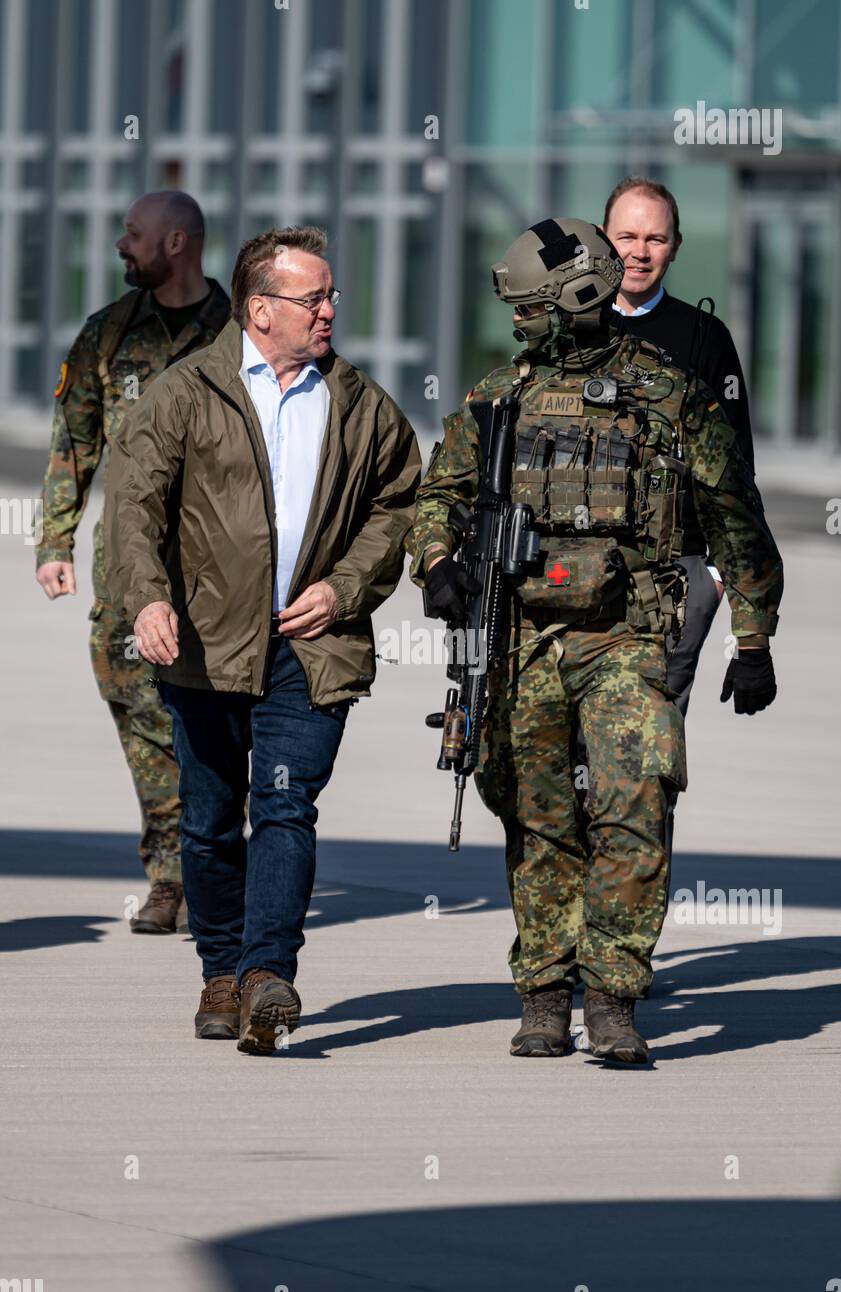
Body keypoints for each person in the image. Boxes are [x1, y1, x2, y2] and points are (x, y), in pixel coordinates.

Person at [408, 218, 783, 1066]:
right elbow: (440, 497)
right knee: (538, 819)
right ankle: (544, 993)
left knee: (634, 808)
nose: (518, 325)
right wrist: (436, 563)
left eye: (531, 309)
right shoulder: (499, 396)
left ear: (575, 297)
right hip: (522, 639)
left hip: (629, 636)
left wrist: (752, 638)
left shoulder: (670, 393)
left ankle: (612, 998)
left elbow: (736, 520)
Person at [104, 226, 421, 1056]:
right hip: (205, 646)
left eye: (330, 296)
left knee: (285, 807)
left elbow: (401, 504)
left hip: (309, 650)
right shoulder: (184, 393)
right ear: (259, 310)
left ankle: (268, 974)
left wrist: (345, 588)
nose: (330, 310)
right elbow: (132, 509)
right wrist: (146, 601)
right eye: (313, 297)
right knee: (209, 820)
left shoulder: (356, 402)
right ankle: (220, 970)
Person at [35, 191, 231, 933]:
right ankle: (170, 874)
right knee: (135, 704)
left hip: (220, 566)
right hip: (127, 562)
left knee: (214, 714)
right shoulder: (107, 336)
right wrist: (54, 543)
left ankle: (217, 865)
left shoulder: (240, 335)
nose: (122, 245)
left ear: (175, 243)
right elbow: (73, 443)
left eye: (134, 234)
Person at [603, 176, 755, 714]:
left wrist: (715, 578)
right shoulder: (570, 328)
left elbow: (737, 470)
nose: (639, 253)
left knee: (650, 745)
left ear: (675, 247)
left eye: (655, 239)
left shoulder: (704, 336)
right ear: (603, 239)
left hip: (678, 571)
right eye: (626, 237)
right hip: (574, 570)